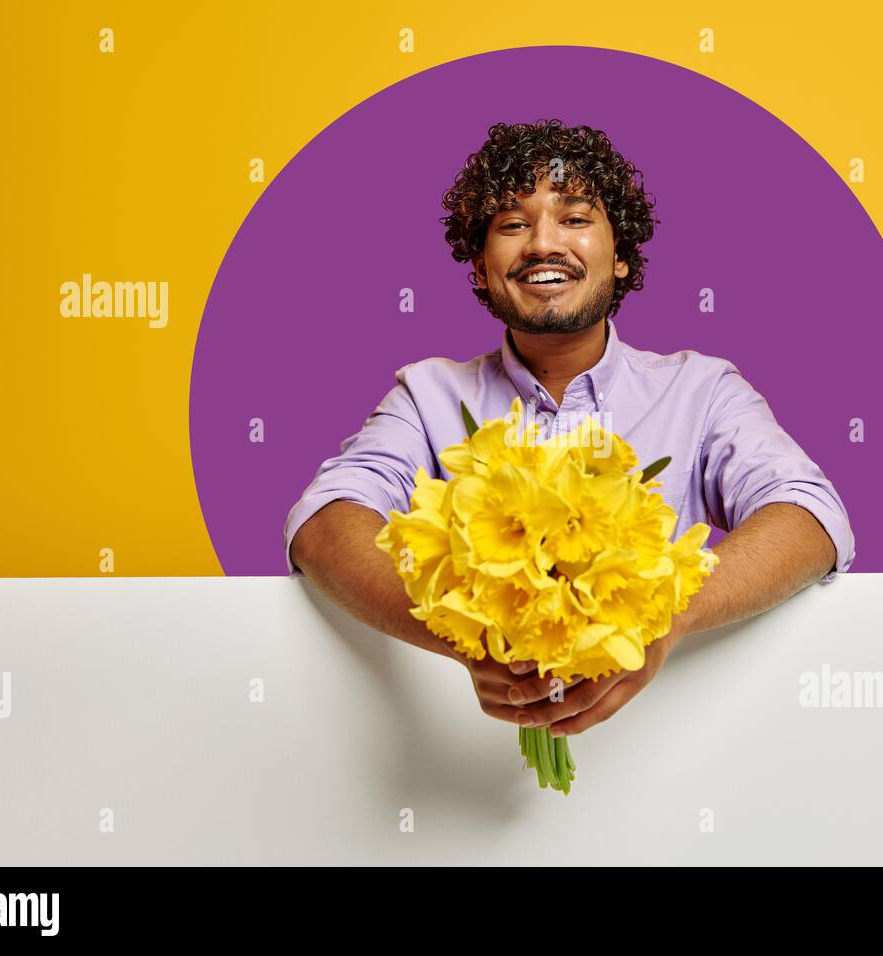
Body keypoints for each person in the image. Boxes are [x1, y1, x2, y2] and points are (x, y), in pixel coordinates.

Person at [285, 120, 854, 738]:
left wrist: (660, 618)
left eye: (576, 218)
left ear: (622, 258)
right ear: (480, 268)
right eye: (512, 224)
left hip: (666, 759)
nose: (542, 244)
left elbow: (810, 516)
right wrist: (464, 635)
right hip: (458, 776)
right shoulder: (428, 397)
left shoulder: (701, 390)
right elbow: (324, 521)